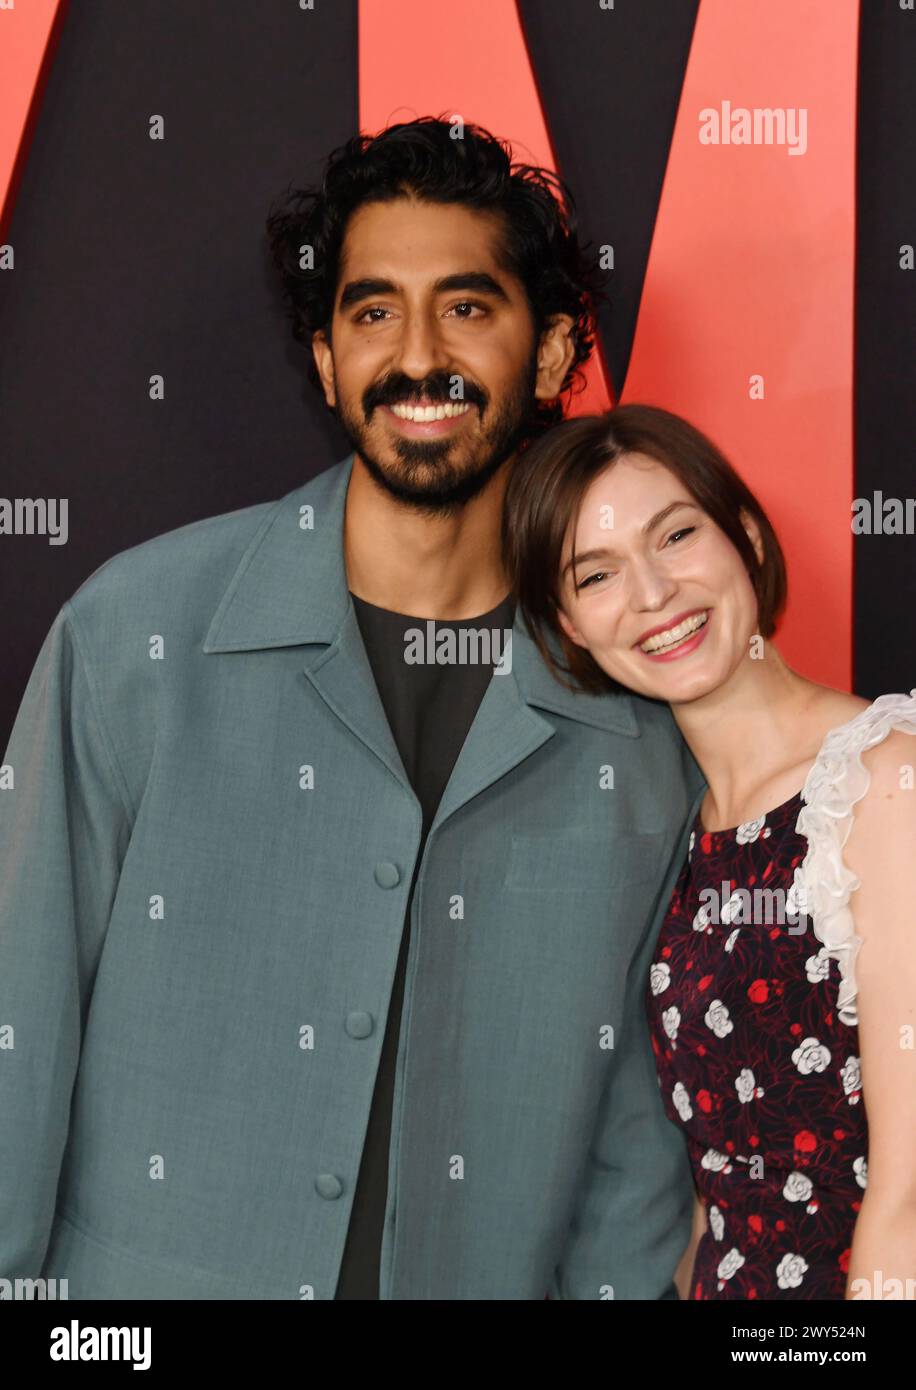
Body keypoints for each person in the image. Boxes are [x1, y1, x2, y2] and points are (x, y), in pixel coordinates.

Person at [0, 120, 702, 1300]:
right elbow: (17, 1020)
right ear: (327, 361)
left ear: (550, 354)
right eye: (374, 312)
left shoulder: (635, 723)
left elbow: (632, 1145)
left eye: (466, 307)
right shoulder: (137, 635)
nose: (417, 356)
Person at [503, 402, 916, 1300]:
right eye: (597, 574)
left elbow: (910, 1198)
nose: (653, 593)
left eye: (676, 535)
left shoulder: (887, 781)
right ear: (569, 626)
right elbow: (719, 1184)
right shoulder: (683, 832)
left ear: (749, 539)